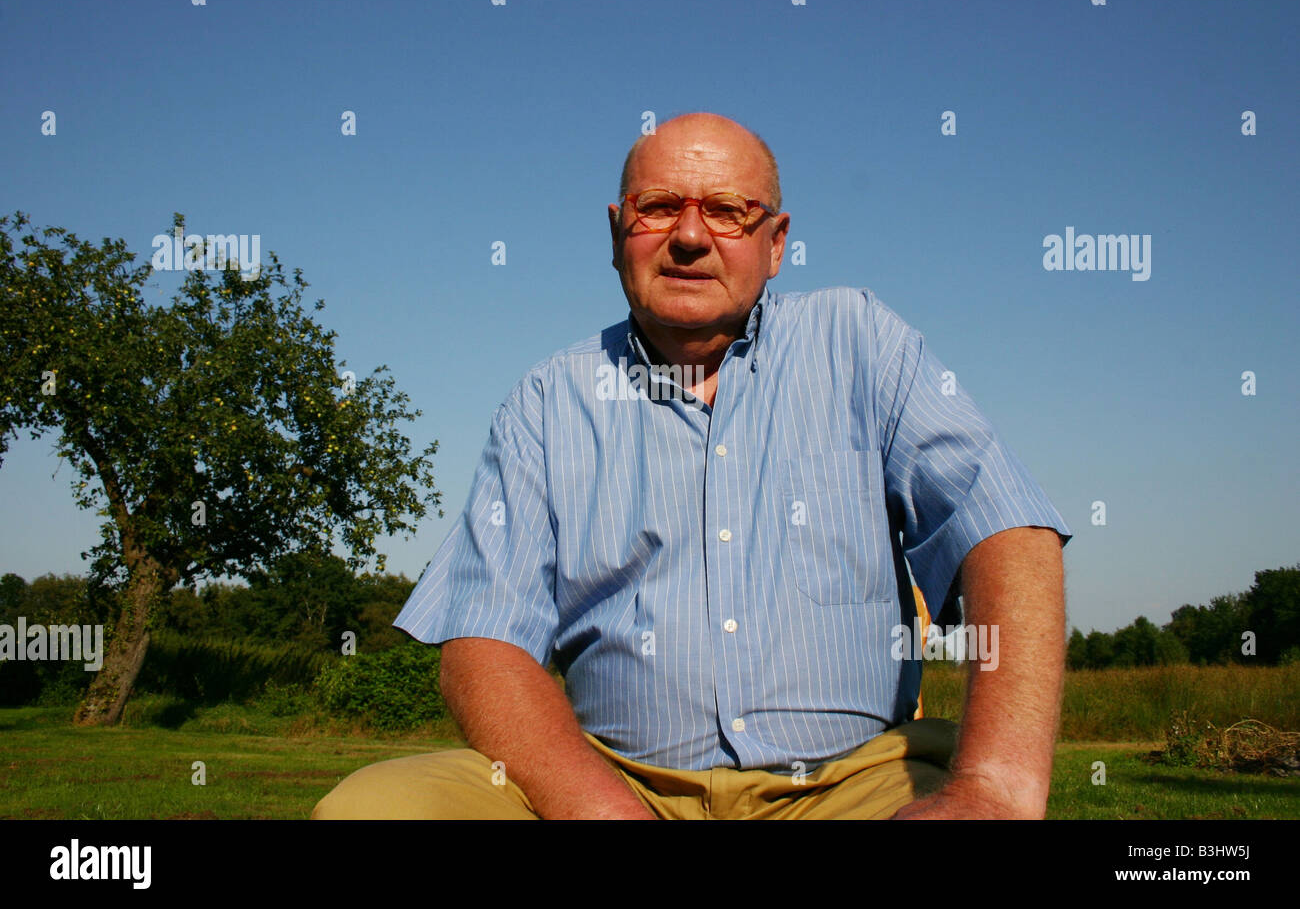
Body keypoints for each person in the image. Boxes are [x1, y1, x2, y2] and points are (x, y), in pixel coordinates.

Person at [312, 112, 1071, 820]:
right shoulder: (548, 401)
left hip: (848, 782)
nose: (689, 236)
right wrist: (603, 810)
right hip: (616, 780)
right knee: (372, 807)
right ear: (617, 236)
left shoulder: (860, 342)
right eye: (658, 206)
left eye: (728, 211)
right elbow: (484, 644)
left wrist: (995, 784)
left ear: (776, 243)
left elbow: (1003, 526)